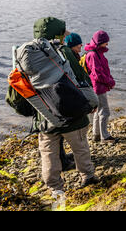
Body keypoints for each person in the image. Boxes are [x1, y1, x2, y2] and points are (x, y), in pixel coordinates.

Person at [32, 17, 98, 192]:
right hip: (71, 113)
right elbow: (81, 78)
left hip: (45, 115)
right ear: (57, 34)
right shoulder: (63, 51)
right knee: (80, 146)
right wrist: (91, 102)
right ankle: (87, 177)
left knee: (48, 153)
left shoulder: (27, 55)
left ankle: (54, 187)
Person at [84, 30, 117, 143]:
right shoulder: (93, 54)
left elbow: (102, 71)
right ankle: (105, 136)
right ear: (99, 42)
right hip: (98, 87)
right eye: (105, 42)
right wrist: (109, 81)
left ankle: (96, 135)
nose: (107, 44)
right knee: (105, 111)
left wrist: (109, 79)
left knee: (98, 111)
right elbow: (97, 74)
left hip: (97, 86)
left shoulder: (96, 53)